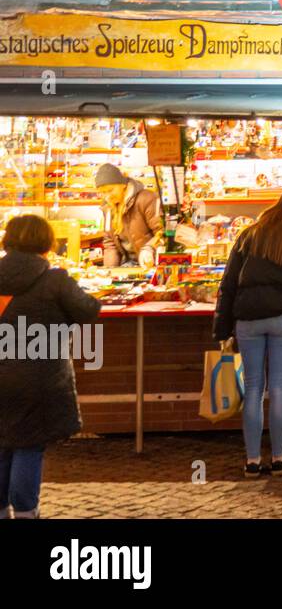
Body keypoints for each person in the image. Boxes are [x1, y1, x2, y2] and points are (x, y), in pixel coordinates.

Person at [213, 183, 282, 478]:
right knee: (279, 388)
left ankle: (252, 460)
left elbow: (228, 285)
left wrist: (221, 327)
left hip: (248, 320)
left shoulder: (247, 236)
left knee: (253, 388)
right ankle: (278, 458)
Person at [0, 215, 101, 519]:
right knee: (30, 445)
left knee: (2, 444)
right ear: (46, 243)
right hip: (40, 378)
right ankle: (27, 511)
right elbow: (89, 311)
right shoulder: (55, 280)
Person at [93, 163, 163, 266]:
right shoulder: (108, 208)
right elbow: (110, 244)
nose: (107, 197)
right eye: (103, 192)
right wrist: (110, 272)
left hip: (151, 263)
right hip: (129, 264)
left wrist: (149, 249)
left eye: (110, 190)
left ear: (123, 185)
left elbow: (162, 232)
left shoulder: (146, 199)